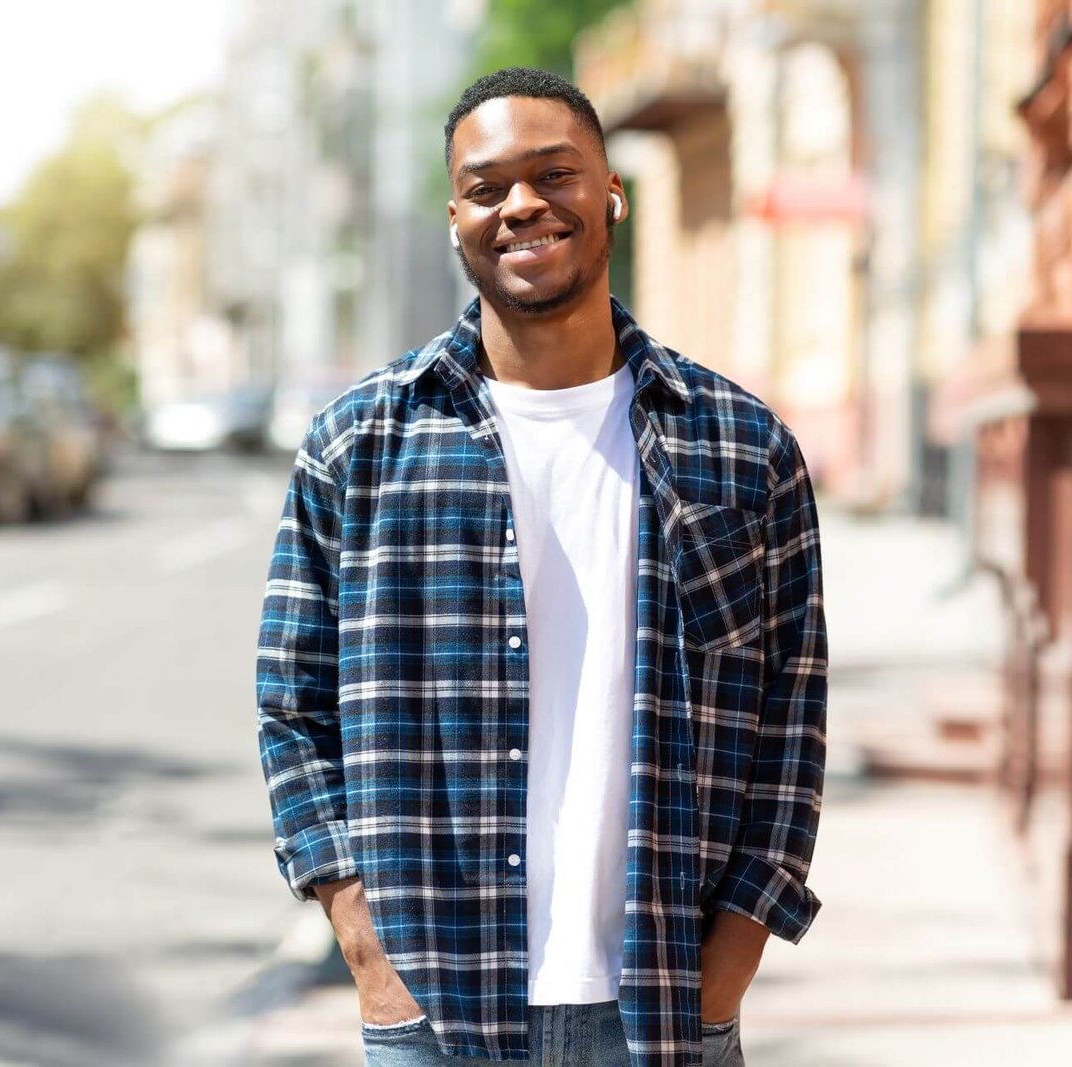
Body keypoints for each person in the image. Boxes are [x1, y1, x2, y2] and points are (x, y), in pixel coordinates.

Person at [257, 66, 827, 1067]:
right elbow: (291, 705)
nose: (522, 203)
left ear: (612, 192)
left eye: (553, 174)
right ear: (454, 218)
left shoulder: (739, 449)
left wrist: (726, 964)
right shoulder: (361, 446)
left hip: (661, 1010)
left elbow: (792, 718)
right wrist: (362, 938)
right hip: (433, 1006)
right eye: (487, 187)